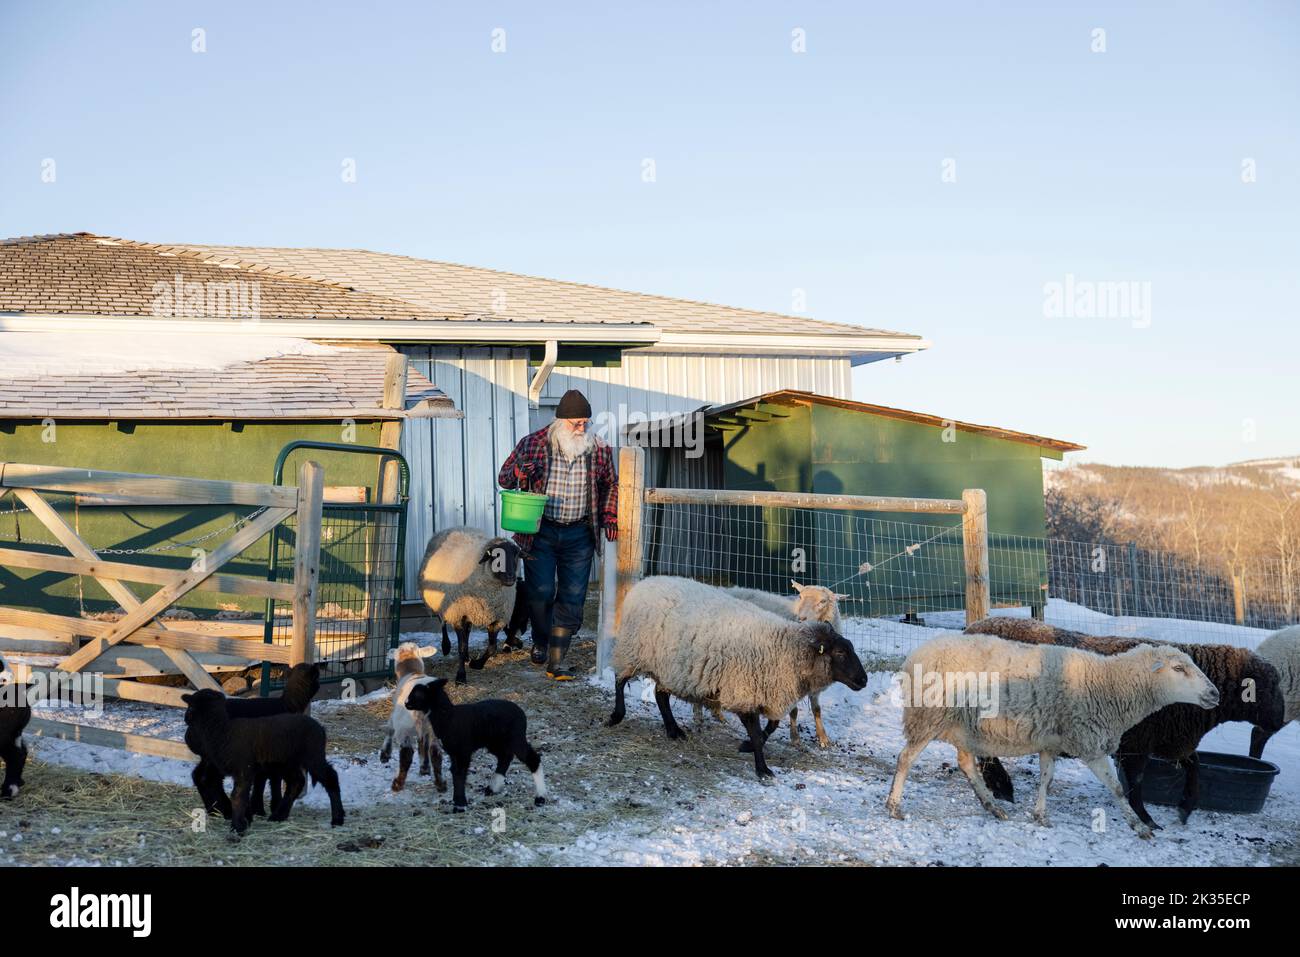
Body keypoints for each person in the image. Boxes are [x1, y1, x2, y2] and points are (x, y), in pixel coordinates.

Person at [497, 389, 618, 680]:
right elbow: (505, 477)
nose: (582, 428)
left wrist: (609, 516)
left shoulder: (598, 448)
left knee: (573, 595)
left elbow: (610, 484)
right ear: (560, 421)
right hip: (541, 531)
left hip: (579, 532)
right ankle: (540, 642)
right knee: (540, 592)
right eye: (576, 423)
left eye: (586, 422)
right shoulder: (534, 444)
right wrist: (521, 473)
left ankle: (557, 655)